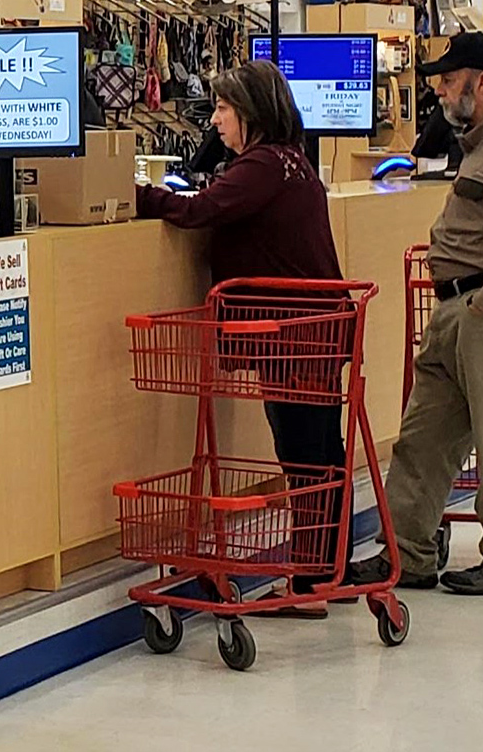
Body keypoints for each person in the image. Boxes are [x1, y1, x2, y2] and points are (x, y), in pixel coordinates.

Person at [352, 32, 483, 597]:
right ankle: (409, 552)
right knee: (421, 440)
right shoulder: (481, 144)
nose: (442, 91)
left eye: (450, 80)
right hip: (455, 310)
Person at [137, 59, 350, 617]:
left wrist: (141, 196)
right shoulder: (292, 163)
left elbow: (201, 210)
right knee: (322, 454)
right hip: (317, 328)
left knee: (303, 454)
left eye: (224, 110)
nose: (216, 122)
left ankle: (309, 586)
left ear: (250, 113)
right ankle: (326, 569)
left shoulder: (261, 166)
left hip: (290, 334)